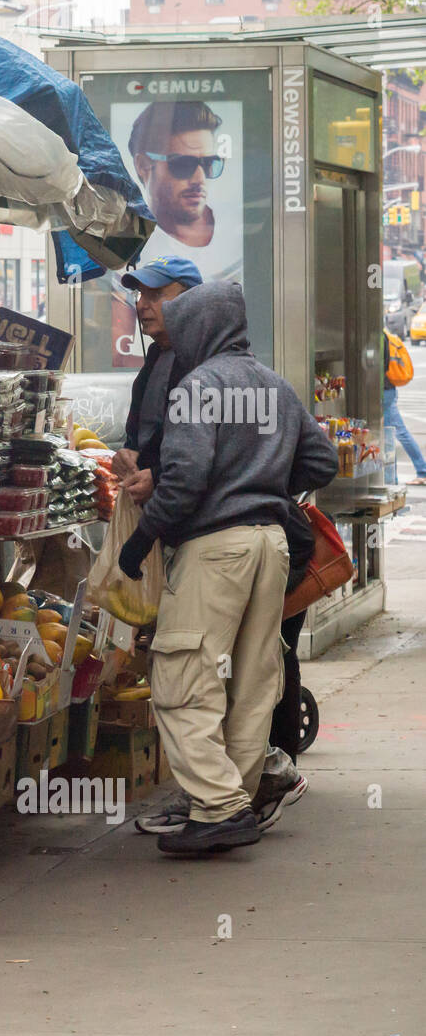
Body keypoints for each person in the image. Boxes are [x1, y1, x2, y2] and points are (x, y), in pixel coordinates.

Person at [116, 280, 339, 855]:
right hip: (273, 546)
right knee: (252, 679)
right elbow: (322, 460)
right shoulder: (275, 386)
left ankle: (216, 806)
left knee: (181, 677)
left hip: (217, 549)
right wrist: (263, 487)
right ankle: (229, 803)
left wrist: (142, 540)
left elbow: (186, 480)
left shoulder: (197, 386)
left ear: (201, 330)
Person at [111, 255, 204, 506]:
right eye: (140, 295)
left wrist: (160, 478)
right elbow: (145, 432)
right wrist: (129, 454)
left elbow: (212, 451)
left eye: (155, 295)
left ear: (190, 300)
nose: (142, 305)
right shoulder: (156, 355)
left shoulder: (206, 363)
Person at [126, 100, 243, 284]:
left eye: (209, 163)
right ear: (143, 165)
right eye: (182, 164)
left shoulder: (238, 232)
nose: (200, 179)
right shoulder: (129, 250)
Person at [382, 330, 426, 486]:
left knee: (392, 434)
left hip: (383, 392)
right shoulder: (386, 335)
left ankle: (418, 472)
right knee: (393, 433)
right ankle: (418, 471)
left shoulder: (380, 338)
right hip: (388, 390)